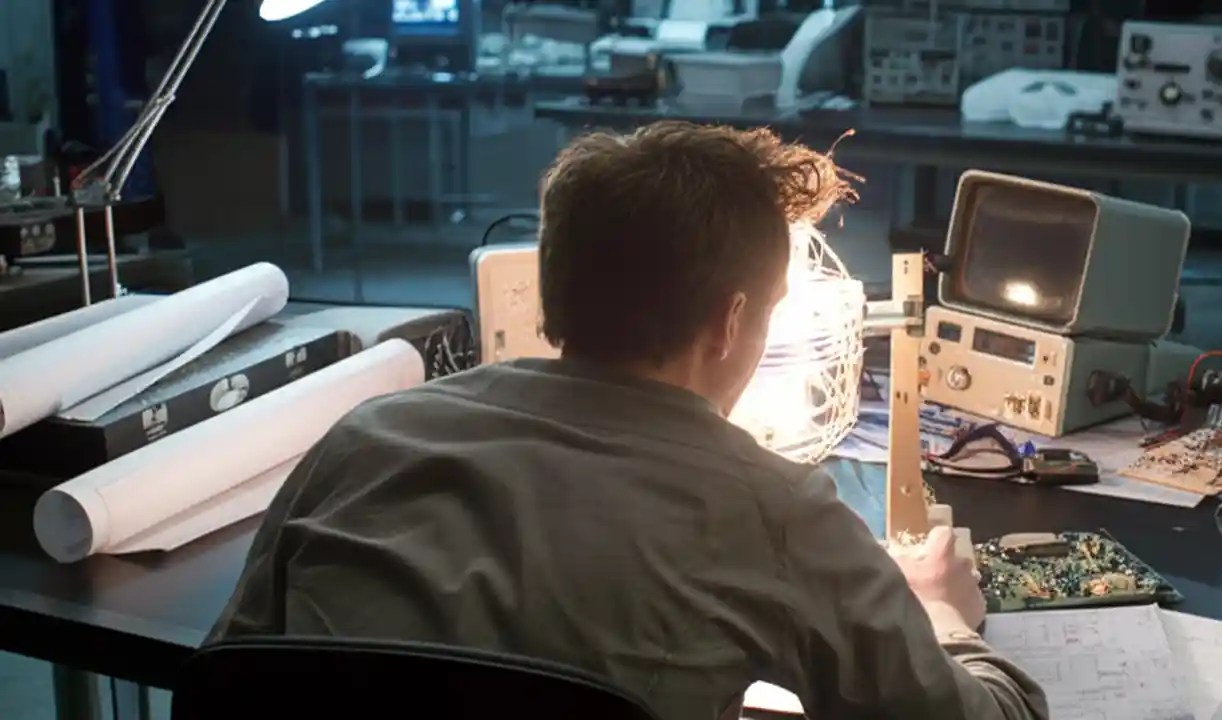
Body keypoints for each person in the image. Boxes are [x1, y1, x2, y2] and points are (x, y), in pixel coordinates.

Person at [208, 121, 1048, 720]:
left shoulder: (367, 439)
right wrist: (943, 616)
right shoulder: (775, 510)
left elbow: (229, 670)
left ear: (552, 290)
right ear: (731, 322)